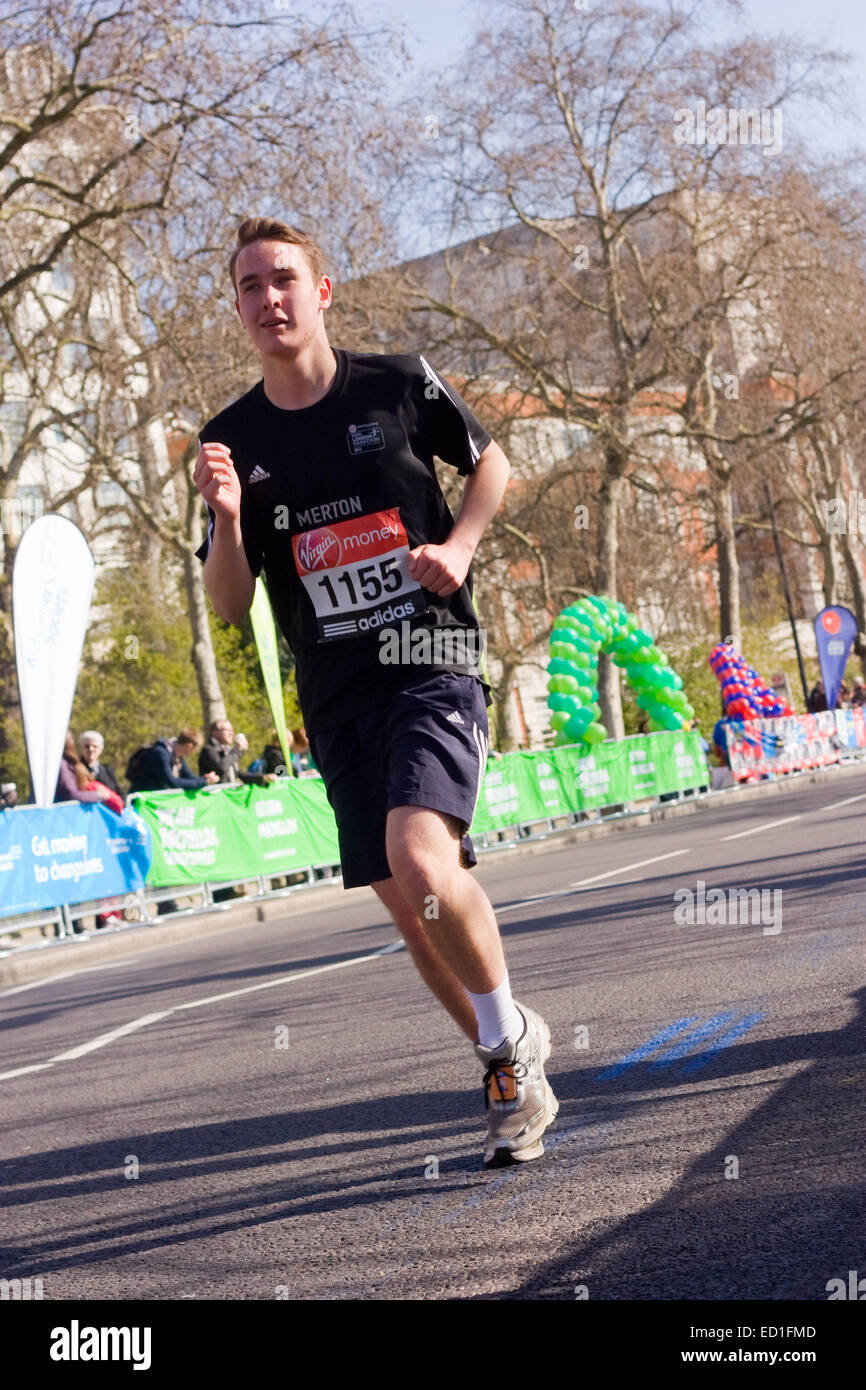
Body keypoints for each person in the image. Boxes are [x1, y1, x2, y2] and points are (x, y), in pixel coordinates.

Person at [193, 216, 557, 1168]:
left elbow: (492, 462)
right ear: (237, 307)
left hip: (428, 658)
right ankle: (504, 1046)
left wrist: (461, 547)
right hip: (336, 692)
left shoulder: (395, 383)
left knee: (423, 856)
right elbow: (230, 607)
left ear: (322, 291)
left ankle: (510, 1057)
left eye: (282, 279)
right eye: (247, 287)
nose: (266, 299)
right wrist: (228, 523)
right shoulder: (231, 441)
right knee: (410, 904)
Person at [127, 729, 219, 794]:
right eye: (195, 749)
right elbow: (171, 782)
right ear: (189, 746)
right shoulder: (160, 753)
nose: (194, 753)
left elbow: (189, 777)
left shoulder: (178, 757)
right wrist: (203, 781)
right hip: (142, 800)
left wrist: (205, 778)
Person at [199, 718, 277, 785]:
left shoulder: (228, 750)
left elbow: (238, 774)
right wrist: (237, 751)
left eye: (232, 730)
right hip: (215, 798)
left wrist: (263, 777)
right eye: (227, 730)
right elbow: (221, 768)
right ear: (215, 732)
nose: (231, 733)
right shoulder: (208, 750)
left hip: (228, 797)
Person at [80, 730, 124, 802]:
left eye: (95, 746)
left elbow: (120, 794)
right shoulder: (75, 769)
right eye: (87, 746)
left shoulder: (107, 771)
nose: (91, 749)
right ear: (82, 748)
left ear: (101, 750)